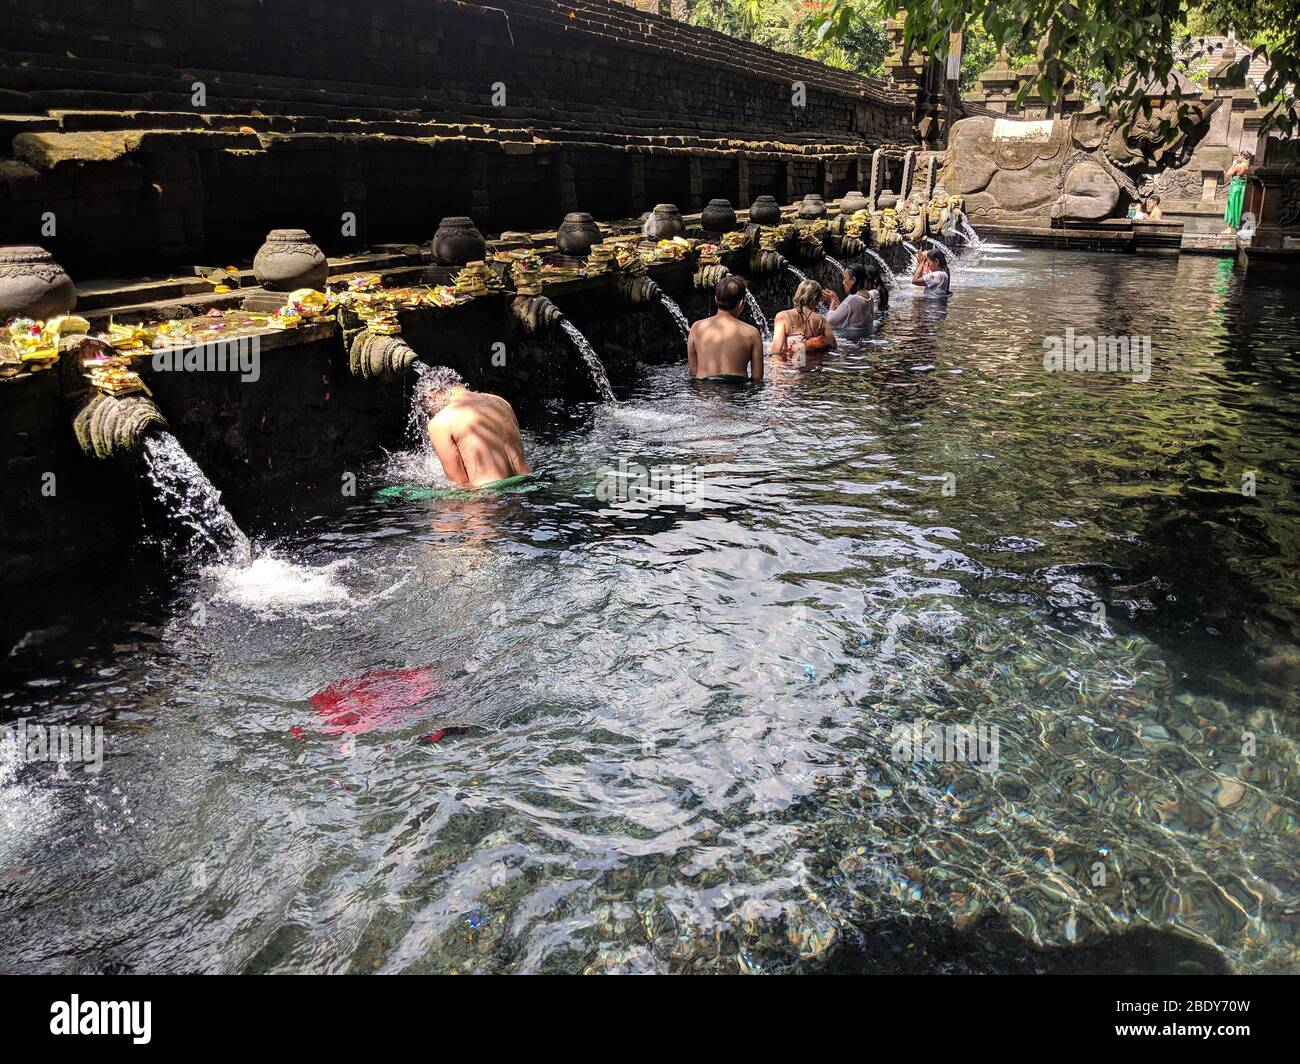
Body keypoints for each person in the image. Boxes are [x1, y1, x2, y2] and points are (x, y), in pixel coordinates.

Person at [424, 385, 533, 489]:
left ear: (432, 397)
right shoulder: (501, 402)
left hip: (488, 498)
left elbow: (459, 485)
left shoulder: (440, 422)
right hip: (529, 483)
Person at [687, 274, 764, 382]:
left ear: (715, 299)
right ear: (741, 304)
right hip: (737, 391)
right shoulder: (752, 333)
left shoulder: (696, 328)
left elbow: (694, 371)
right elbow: (757, 377)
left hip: (705, 392)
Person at [771, 279, 836, 363]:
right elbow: (833, 346)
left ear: (798, 294)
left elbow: (776, 350)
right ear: (816, 299)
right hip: (812, 367)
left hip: (790, 367)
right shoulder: (821, 320)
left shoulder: (782, 316)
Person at [821, 263, 877, 334]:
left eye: (844, 278)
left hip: (850, 340)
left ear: (853, 279)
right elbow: (846, 311)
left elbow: (829, 322)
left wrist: (832, 301)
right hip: (865, 336)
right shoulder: (869, 296)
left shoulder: (852, 299)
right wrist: (836, 298)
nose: (843, 282)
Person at [1222, 150, 1252, 232]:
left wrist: (1234, 163)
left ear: (1242, 156)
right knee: (1240, 206)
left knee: (1232, 206)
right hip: (1243, 187)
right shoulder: (1249, 166)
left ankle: (1230, 228)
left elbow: (1228, 174)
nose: (1238, 158)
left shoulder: (1239, 166)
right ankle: (1239, 226)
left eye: (1239, 156)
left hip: (1235, 187)